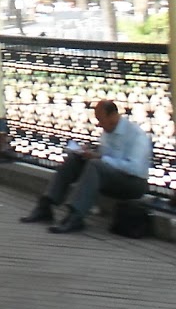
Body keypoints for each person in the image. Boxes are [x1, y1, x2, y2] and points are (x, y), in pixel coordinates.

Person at [21, 99, 152, 234]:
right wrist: (89, 152)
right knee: (74, 159)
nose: (99, 124)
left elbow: (134, 168)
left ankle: (76, 216)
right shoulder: (108, 131)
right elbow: (107, 154)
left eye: (101, 120)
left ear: (112, 116)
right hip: (110, 175)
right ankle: (46, 205)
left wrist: (101, 158)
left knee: (95, 165)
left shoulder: (136, 135)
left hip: (133, 183)